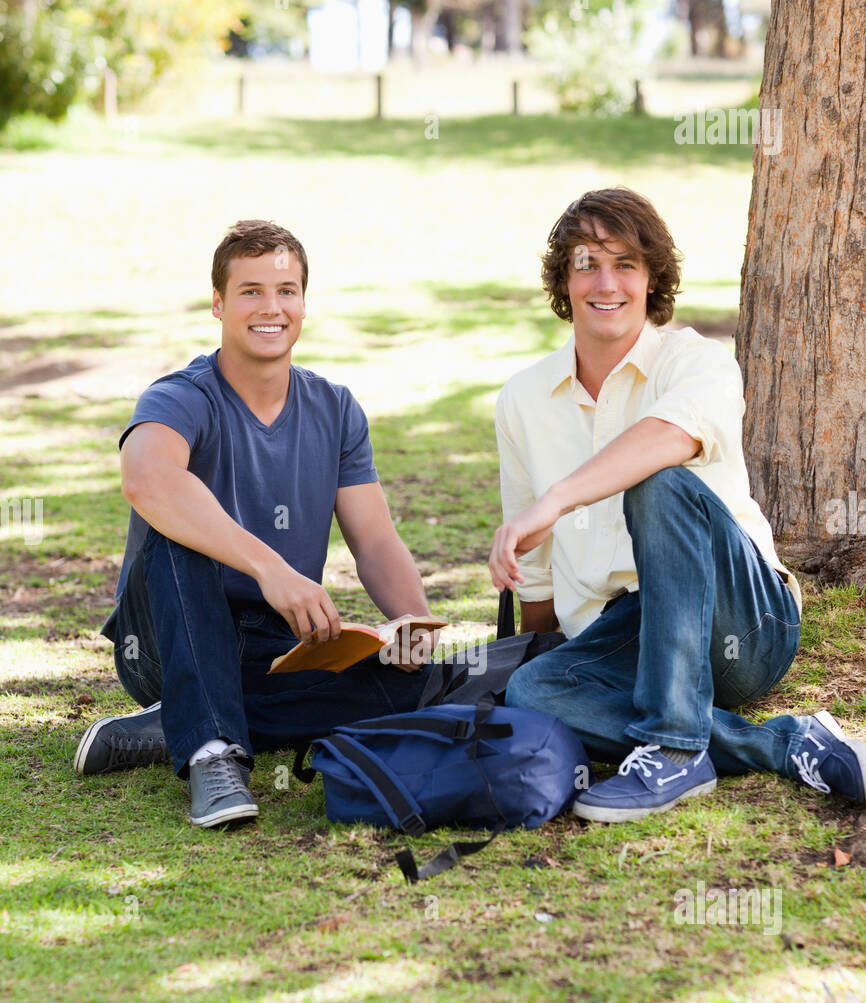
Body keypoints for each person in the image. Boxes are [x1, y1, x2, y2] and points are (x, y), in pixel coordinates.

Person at [488, 187, 866, 822]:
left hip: (739, 625)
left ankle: (673, 743)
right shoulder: (522, 399)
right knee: (533, 691)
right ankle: (788, 743)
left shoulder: (697, 362)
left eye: (625, 264)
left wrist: (557, 498)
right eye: (586, 262)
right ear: (563, 279)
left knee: (659, 482)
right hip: (624, 633)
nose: (605, 282)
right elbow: (540, 569)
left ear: (651, 278)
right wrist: (544, 657)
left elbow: (670, 438)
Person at [75, 220, 432, 828]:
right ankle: (214, 754)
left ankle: (182, 723)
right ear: (218, 303)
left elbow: (373, 541)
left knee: (418, 688)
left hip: (275, 647)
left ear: (302, 302)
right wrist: (270, 568)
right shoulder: (182, 395)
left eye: (287, 290)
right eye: (251, 291)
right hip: (172, 632)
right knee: (175, 526)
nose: (272, 307)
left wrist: (412, 624)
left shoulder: (335, 407)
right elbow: (147, 480)